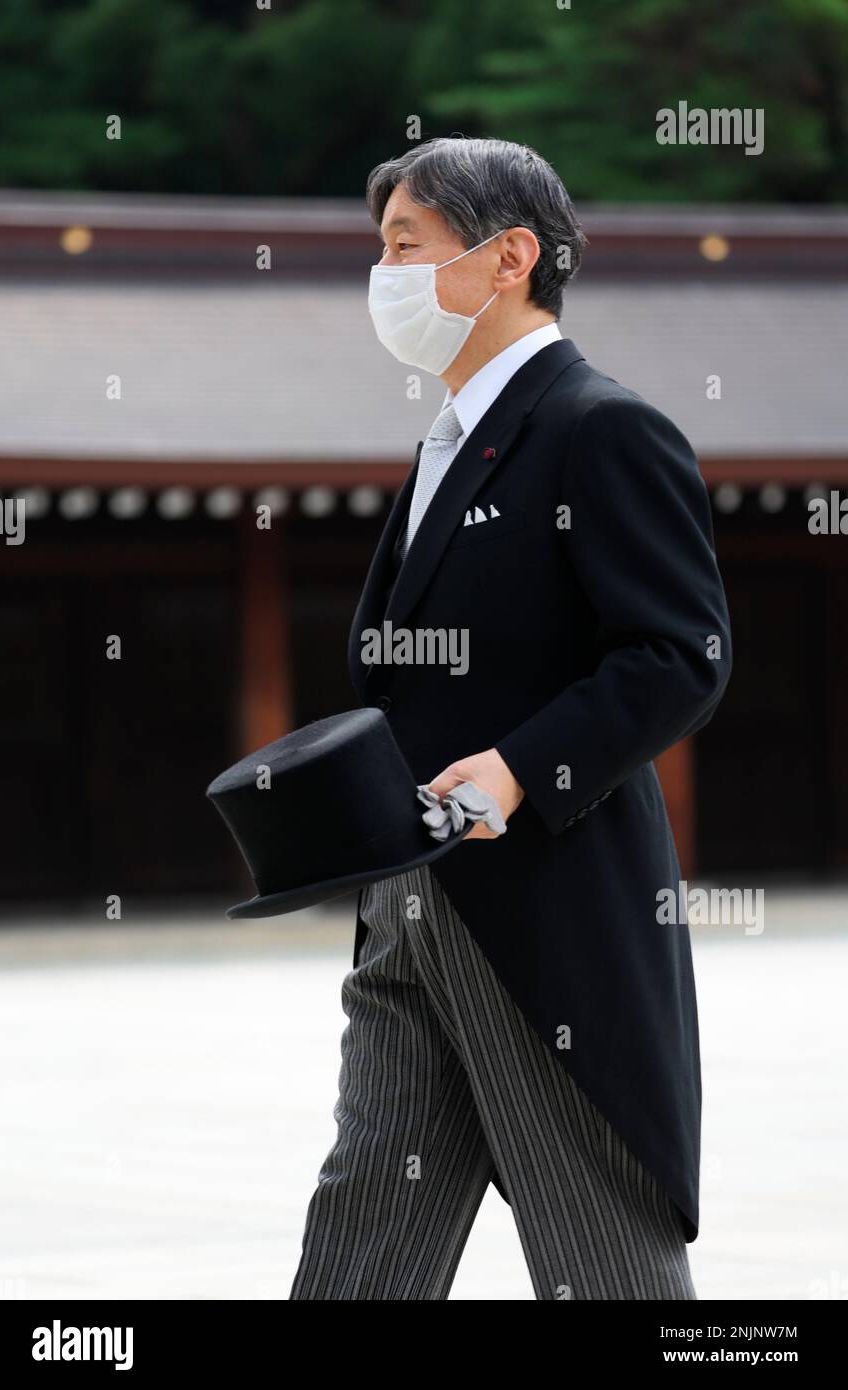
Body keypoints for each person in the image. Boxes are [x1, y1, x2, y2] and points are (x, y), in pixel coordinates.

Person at [289, 136, 732, 1301]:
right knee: (364, 1219)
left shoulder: (598, 425)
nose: (381, 275)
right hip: (407, 895)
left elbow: (679, 652)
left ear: (509, 258)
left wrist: (519, 770)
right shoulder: (448, 438)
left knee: (601, 1250)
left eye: (404, 246)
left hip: (543, 905)